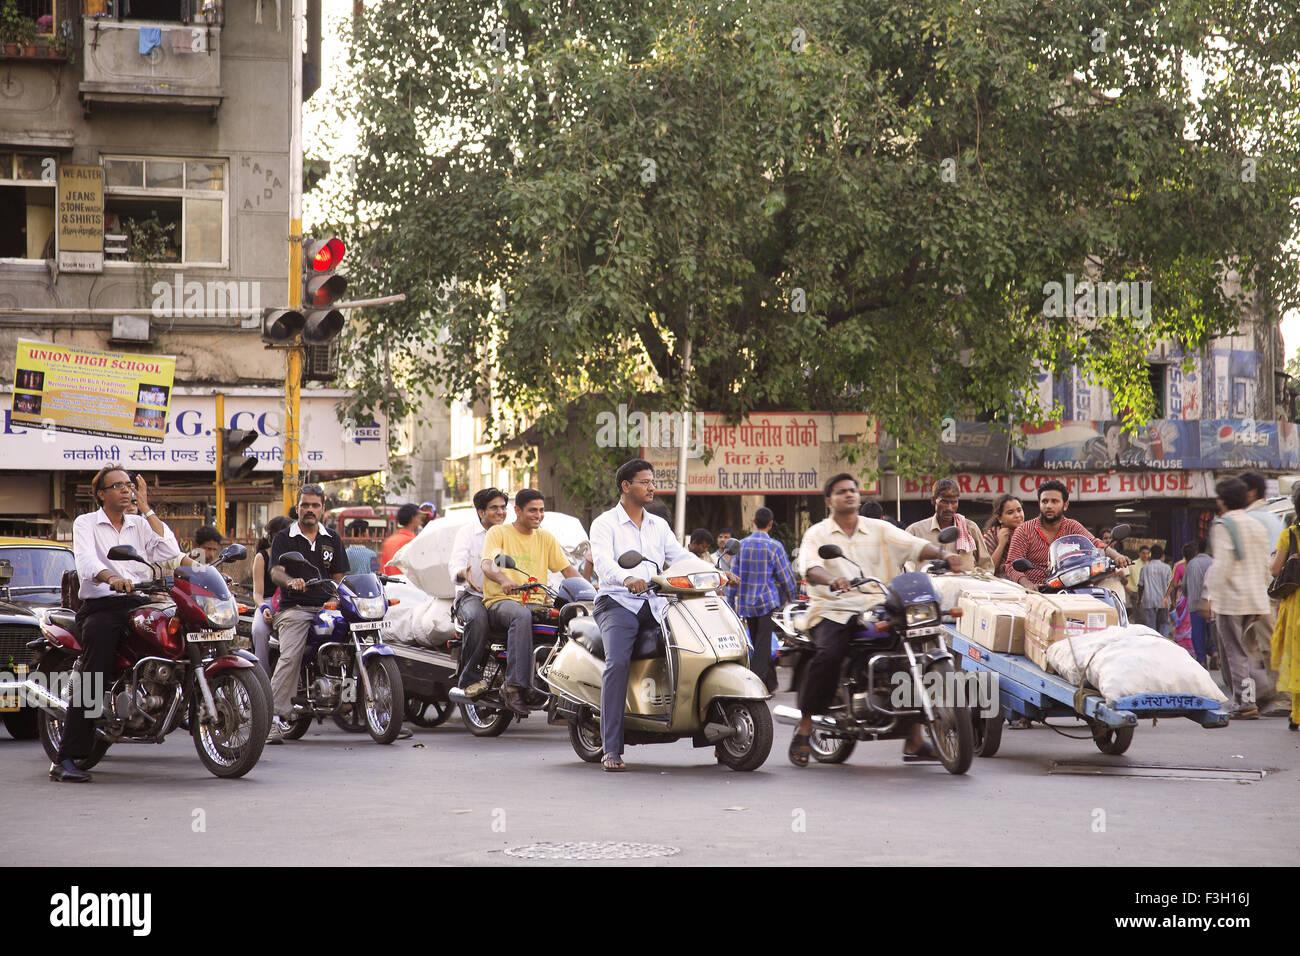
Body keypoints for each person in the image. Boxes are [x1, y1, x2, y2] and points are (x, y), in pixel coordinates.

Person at [789, 473, 964, 767]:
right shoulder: (817, 534)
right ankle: (805, 727)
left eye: (853, 490)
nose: (849, 495)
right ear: (829, 500)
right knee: (829, 654)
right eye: (842, 491)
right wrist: (833, 580)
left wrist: (944, 555)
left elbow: (915, 546)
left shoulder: (879, 529)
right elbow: (810, 568)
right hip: (835, 607)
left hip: (879, 604)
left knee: (912, 648)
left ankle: (915, 739)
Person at [56, 464, 180, 781]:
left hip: (139, 602)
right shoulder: (86, 523)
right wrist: (112, 578)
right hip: (102, 605)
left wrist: (148, 506)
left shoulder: (140, 524)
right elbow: (85, 562)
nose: (126, 490)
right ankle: (66, 758)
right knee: (94, 671)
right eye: (119, 486)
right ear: (101, 494)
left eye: (129, 485)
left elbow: (170, 550)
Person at [589, 459, 693, 771]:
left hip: (655, 602)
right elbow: (604, 562)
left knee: (689, 645)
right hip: (617, 602)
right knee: (618, 663)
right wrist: (626, 579)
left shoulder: (658, 526)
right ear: (626, 487)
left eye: (652, 481)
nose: (652, 487)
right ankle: (611, 748)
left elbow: (680, 557)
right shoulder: (605, 523)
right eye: (645, 482)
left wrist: (714, 573)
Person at [480, 489, 583, 717]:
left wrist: (588, 590)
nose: (538, 515)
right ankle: (514, 687)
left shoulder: (545, 538)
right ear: (517, 511)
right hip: (502, 601)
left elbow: (567, 569)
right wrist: (503, 579)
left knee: (570, 619)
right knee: (521, 615)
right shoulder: (499, 533)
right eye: (533, 510)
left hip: (537, 603)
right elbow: (487, 564)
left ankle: (555, 686)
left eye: (541, 510)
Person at [266, 484, 350, 742]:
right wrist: (290, 581)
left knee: (359, 635)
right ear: (298, 507)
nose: (310, 510)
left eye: (315, 505)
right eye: (305, 505)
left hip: (327, 607)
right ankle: (271, 719)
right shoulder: (284, 538)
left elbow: (339, 576)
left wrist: (337, 596)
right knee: (290, 656)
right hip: (296, 608)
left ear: (323, 508)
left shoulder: (332, 538)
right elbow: (275, 571)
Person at [1203, 477, 1273, 719]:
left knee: (1235, 652)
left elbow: (1221, 565)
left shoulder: (1224, 525)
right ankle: (1254, 696)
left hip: (1231, 599)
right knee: (1246, 652)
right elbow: (1266, 563)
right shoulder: (1255, 524)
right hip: (1254, 598)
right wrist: (1262, 596)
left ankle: (1245, 702)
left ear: (1222, 501)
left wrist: (1208, 595)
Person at [1004, 480, 1130, 588]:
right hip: (1036, 593)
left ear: (1065, 505)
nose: (1048, 506)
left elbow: (1095, 543)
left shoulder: (1072, 526)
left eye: (1054, 501)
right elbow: (1011, 565)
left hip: (1070, 587)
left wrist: (1117, 556)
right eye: (1044, 501)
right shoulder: (1024, 530)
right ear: (1039, 504)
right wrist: (1028, 585)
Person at [726, 507, 799, 691]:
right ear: (770, 524)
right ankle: (756, 685)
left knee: (760, 643)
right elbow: (786, 577)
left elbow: (733, 577)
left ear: (753, 521)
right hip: (767, 602)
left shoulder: (741, 545)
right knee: (763, 644)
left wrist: (730, 603)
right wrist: (793, 599)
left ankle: (771, 683)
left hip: (745, 603)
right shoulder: (774, 546)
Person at [447, 488, 508, 699]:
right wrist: (466, 574)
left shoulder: (509, 533)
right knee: (478, 619)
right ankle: (469, 678)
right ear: (481, 512)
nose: (500, 512)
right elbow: (455, 567)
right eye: (494, 508)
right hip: (472, 596)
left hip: (503, 597)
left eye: (503, 507)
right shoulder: (467, 533)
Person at [1241, 470, 1290, 716]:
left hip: (1257, 592)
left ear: (1250, 492)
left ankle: (1283, 696)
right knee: (1253, 646)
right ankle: (1262, 693)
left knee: (1268, 644)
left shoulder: (1252, 519)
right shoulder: (1271, 517)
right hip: (1265, 592)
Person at [906, 477, 991, 571]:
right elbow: (905, 565)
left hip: (964, 584)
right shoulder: (915, 530)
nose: (949, 508)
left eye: (954, 502)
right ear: (934, 501)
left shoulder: (970, 528)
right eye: (944, 502)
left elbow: (986, 566)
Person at [1269, 497, 1300, 730]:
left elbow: (1275, 570)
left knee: (1297, 658)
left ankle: (1297, 714)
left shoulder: (1289, 535)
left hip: (1296, 604)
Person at [251, 515, 292, 676]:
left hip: (291, 602)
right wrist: (264, 608)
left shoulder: (296, 555)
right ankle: (262, 677)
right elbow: (257, 593)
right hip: (268, 602)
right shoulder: (262, 557)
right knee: (259, 630)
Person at [1183, 538, 1214, 667]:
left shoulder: (1191, 564)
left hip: (1195, 604)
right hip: (1212, 604)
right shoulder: (1214, 562)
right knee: (1212, 631)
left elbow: (1184, 586)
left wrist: (1187, 594)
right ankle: (1215, 653)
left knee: (1198, 632)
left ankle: (1201, 659)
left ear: (1197, 550)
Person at [982, 494, 1025, 579]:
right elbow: (988, 570)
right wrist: (1001, 544)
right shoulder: (990, 536)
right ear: (999, 518)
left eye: (1019, 510)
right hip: (998, 585)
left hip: (1026, 585)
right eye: (1010, 512)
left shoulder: (1029, 533)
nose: (1017, 515)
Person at [1137, 545, 1172, 637]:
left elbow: (1141, 585)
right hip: (1164, 600)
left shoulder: (1145, 568)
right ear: (1162, 555)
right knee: (1164, 623)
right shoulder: (1167, 568)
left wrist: (1139, 599)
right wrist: (1172, 601)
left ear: (1150, 555)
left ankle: (1153, 642)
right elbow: (1171, 585)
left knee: (1150, 626)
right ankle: (1164, 642)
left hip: (1149, 600)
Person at [380, 504, 422, 575]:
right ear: (413, 518)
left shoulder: (389, 541)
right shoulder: (414, 542)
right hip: (408, 584)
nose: (421, 521)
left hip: (390, 583)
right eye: (419, 517)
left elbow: (383, 568)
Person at [1126, 545, 1151, 613]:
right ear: (1139, 553)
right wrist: (1128, 590)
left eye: (1147, 553)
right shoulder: (1133, 564)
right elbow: (1124, 578)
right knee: (1140, 616)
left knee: (1147, 615)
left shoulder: (1150, 565)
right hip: (1135, 593)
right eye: (1143, 553)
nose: (1145, 555)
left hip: (1147, 593)